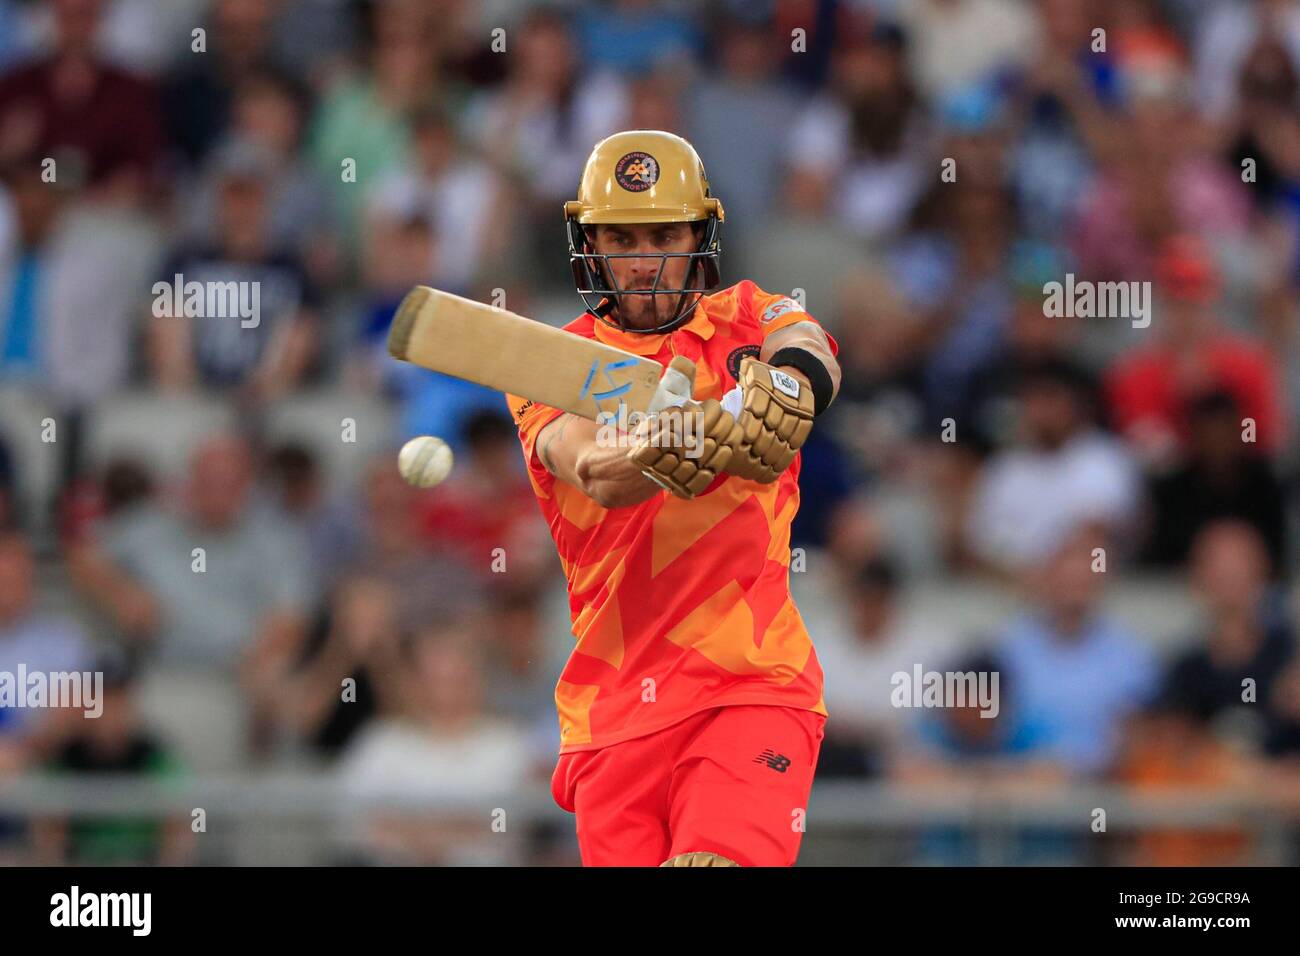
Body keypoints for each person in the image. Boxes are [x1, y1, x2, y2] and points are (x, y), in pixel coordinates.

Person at [506, 130, 842, 866]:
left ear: (701, 235)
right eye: (622, 237)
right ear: (589, 244)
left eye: (665, 233)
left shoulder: (753, 316)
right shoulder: (549, 362)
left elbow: (811, 351)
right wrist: (668, 447)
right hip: (612, 715)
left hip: (750, 685)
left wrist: (786, 391)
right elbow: (587, 465)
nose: (645, 259)